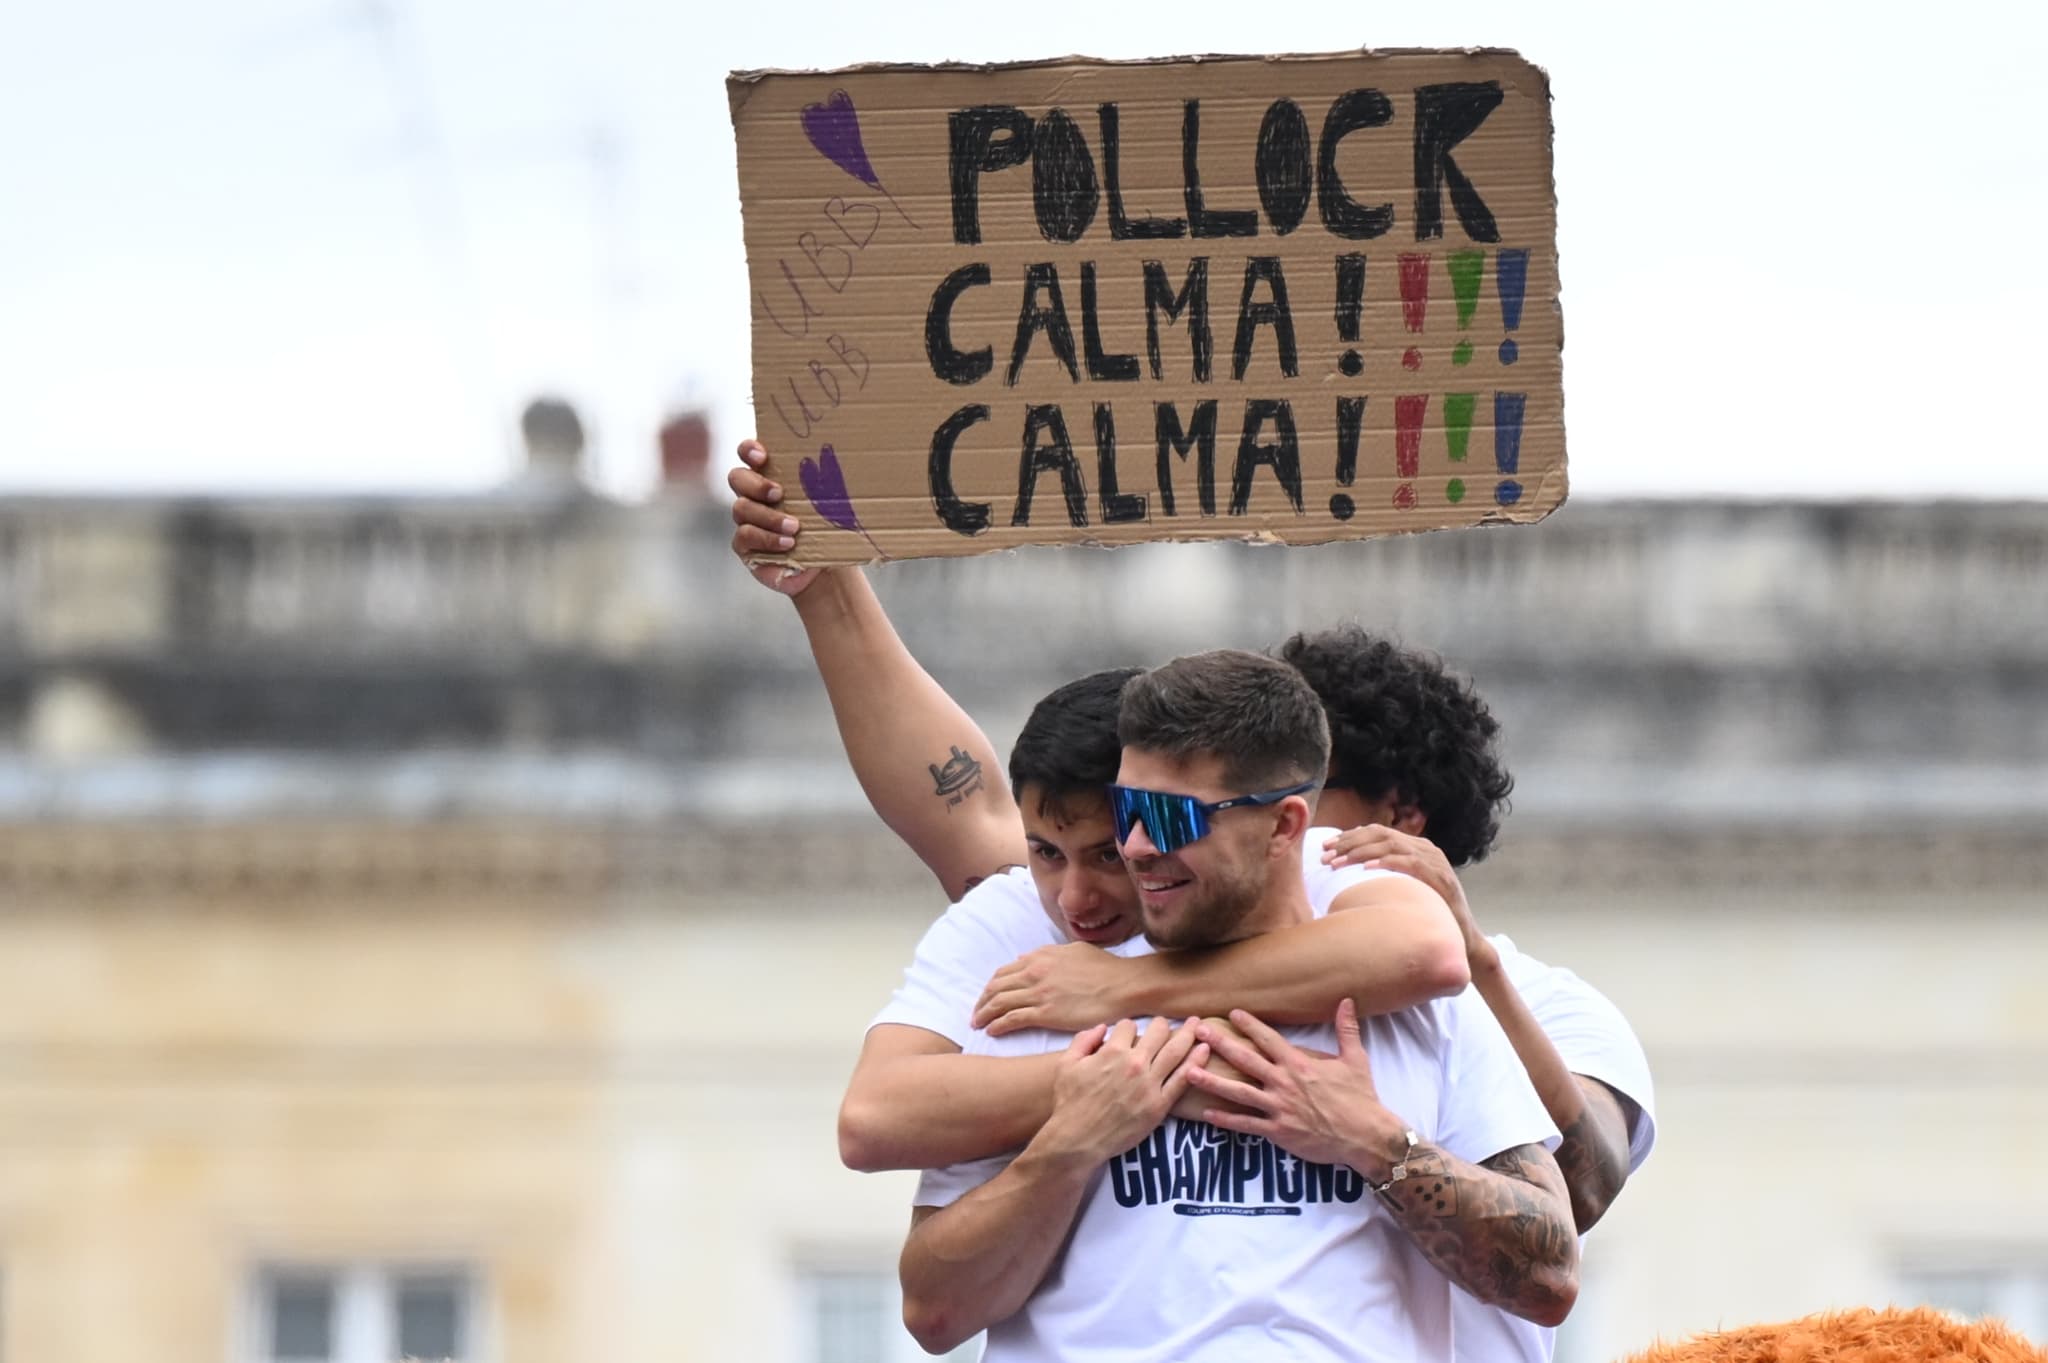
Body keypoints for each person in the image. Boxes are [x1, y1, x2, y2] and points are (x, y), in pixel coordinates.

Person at [897, 650, 1579, 1360]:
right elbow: (933, 1310)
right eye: (1127, 808)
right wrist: (1069, 1145)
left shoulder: (1412, 1002)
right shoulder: (1056, 988)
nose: (1134, 844)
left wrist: (1375, 1143)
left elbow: (1549, 1275)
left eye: (1168, 815)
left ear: (1286, 826)